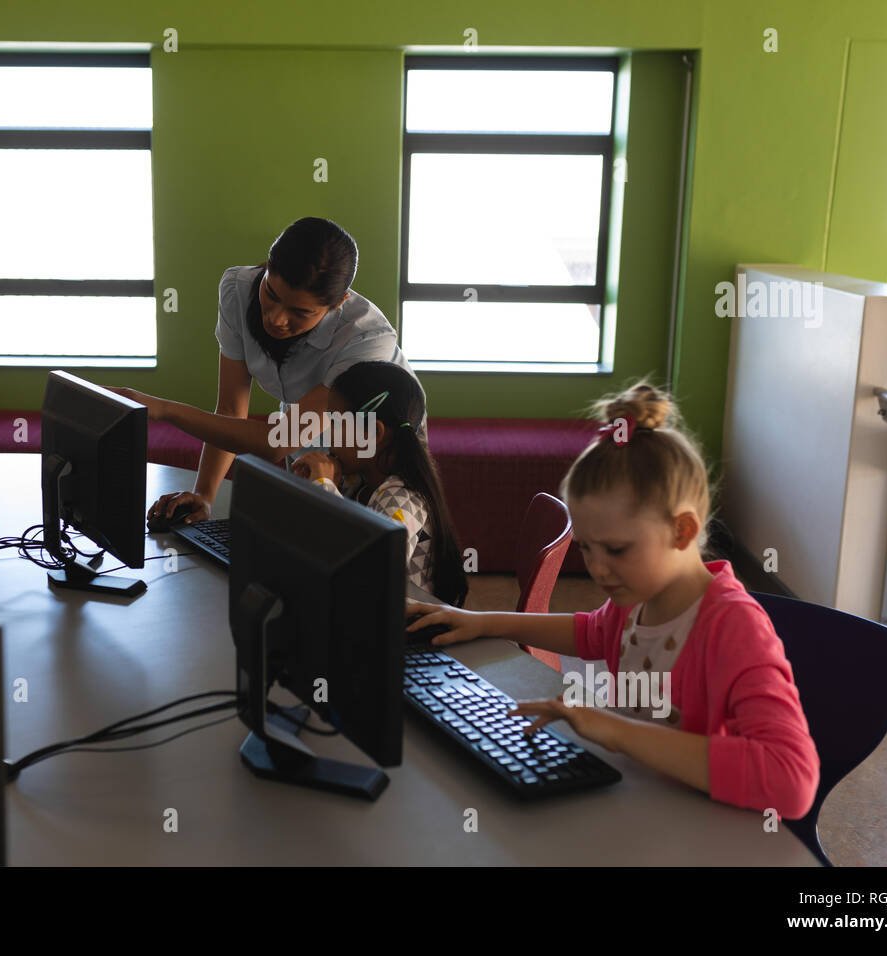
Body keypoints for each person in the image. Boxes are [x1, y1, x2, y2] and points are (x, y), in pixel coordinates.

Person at [405, 380, 820, 820]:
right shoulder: (636, 598)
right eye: (586, 548)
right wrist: (481, 621)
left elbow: (792, 782)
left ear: (683, 531)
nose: (598, 571)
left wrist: (615, 731)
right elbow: (591, 632)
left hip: (702, 825)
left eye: (617, 550)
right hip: (639, 803)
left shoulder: (732, 626)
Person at [104, 217, 426, 527]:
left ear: (338, 303)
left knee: (373, 558)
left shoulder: (366, 337)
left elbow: (277, 442)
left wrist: (163, 409)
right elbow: (231, 411)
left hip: (373, 452)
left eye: (300, 312)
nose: (276, 318)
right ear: (267, 267)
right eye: (271, 294)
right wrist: (204, 496)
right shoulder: (237, 290)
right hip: (304, 430)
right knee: (312, 543)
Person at [290, 361, 467, 607]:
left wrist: (324, 489)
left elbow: (369, 576)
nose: (327, 435)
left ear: (372, 433)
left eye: (336, 423)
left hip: (400, 632)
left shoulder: (401, 499)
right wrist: (308, 493)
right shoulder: (360, 482)